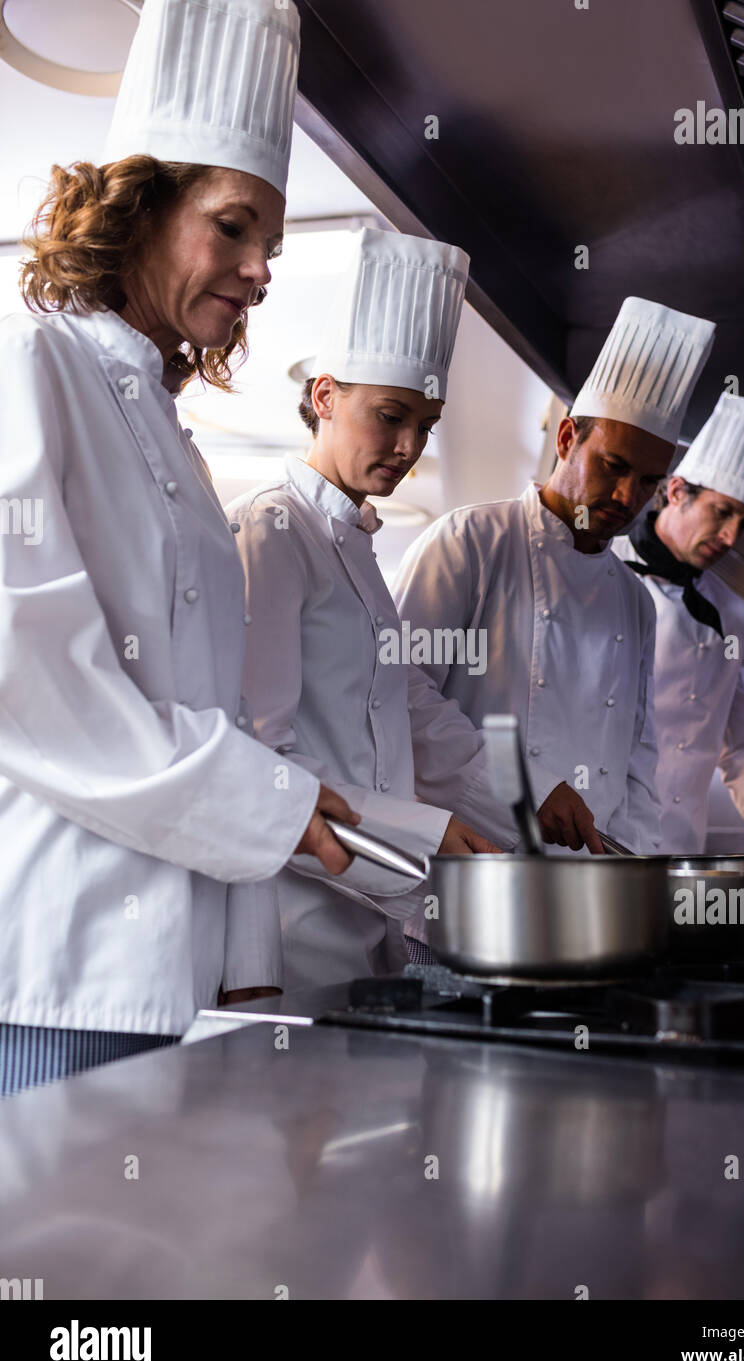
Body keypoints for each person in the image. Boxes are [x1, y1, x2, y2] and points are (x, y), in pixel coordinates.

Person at [0, 0, 358, 1096]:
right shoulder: (33, 370)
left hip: (184, 967)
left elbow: (215, 713)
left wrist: (248, 957)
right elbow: (29, 676)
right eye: (235, 226)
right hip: (67, 969)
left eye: (271, 247)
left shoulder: (176, 440)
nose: (258, 272)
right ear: (142, 205)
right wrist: (268, 806)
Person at [228, 228, 508, 990]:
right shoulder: (271, 531)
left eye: (426, 425)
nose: (410, 444)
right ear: (325, 396)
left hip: (370, 921)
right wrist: (421, 832)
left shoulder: (354, 542)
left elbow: (412, 708)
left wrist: (527, 800)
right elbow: (259, 756)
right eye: (390, 415)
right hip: (292, 929)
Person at [393, 297, 716, 877]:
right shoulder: (471, 543)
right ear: (567, 437)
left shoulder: (634, 599)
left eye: (648, 480)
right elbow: (403, 693)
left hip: (589, 890)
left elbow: (638, 762)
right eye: (613, 466)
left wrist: (641, 873)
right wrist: (530, 788)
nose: (626, 498)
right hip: (472, 884)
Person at [614, 390, 744, 862]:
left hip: (676, 854)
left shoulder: (733, 616)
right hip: (585, 849)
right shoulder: (599, 573)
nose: (731, 537)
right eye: (723, 512)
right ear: (676, 492)